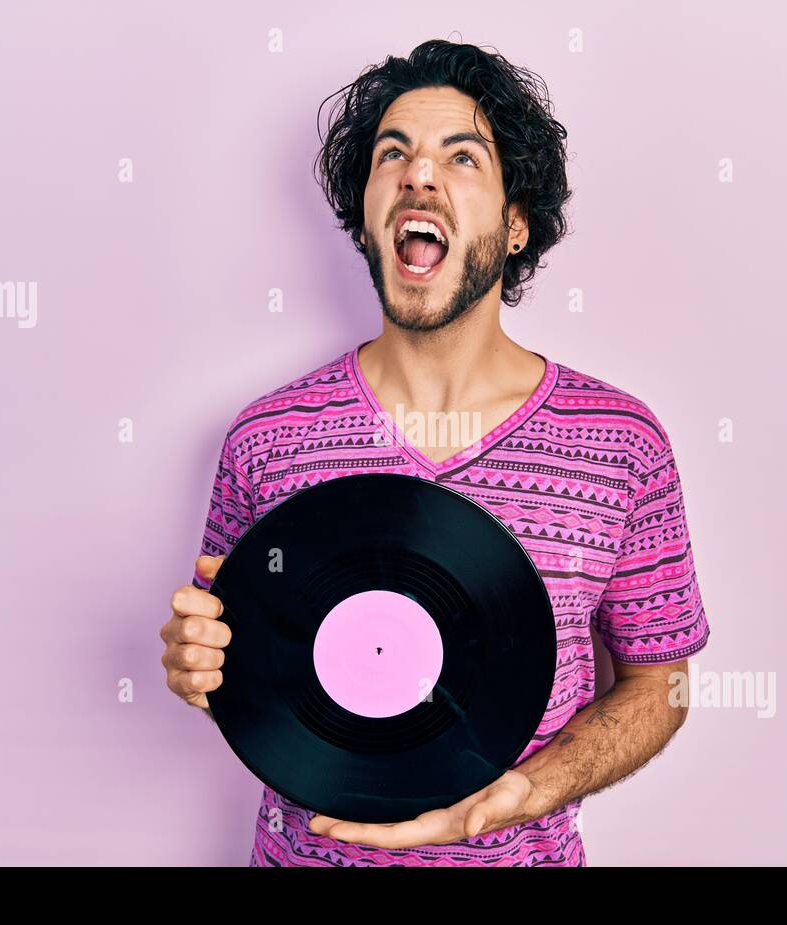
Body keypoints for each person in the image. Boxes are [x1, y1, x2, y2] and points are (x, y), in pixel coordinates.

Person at [159, 39, 711, 866]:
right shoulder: (265, 438)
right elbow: (254, 680)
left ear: (515, 223)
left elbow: (659, 685)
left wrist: (531, 791)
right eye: (394, 154)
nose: (420, 175)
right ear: (368, 211)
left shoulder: (620, 442)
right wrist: (201, 667)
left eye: (462, 156)